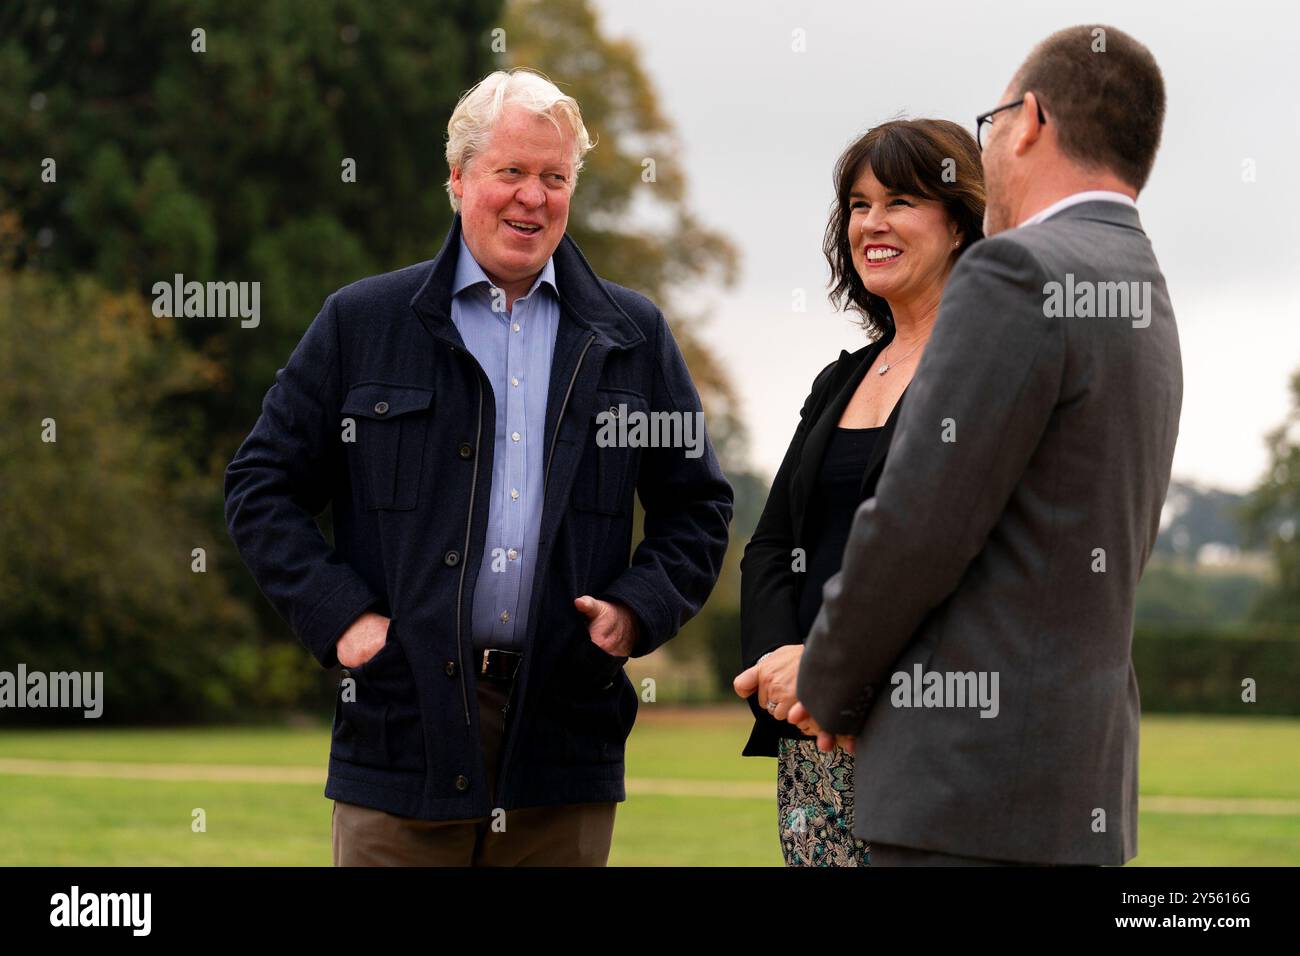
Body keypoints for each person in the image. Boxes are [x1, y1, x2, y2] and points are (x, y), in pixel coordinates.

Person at [224, 68, 733, 866]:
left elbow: (698, 508)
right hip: (402, 725)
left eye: (555, 177)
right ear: (458, 180)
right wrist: (344, 621)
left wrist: (635, 612)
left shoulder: (634, 336)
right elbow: (260, 486)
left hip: (563, 737)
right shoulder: (363, 322)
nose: (534, 197)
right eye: (512, 172)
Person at [793, 24, 1181, 866]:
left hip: (960, 797)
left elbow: (917, 525)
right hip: (1077, 791)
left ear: (1030, 120)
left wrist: (825, 682)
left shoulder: (1016, 273)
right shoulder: (1142, 284)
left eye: (992, 125)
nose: (991, 147)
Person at [734, 119, 985, 866]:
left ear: (961, 224)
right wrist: (786, 668)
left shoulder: (982, 374)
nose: (871, 223)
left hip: (922, 736)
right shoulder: (838, 380)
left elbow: (952, 561)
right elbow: (771, 544)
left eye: (900, 200)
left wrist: (831, 666)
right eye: (857, 203)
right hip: (813, 745)